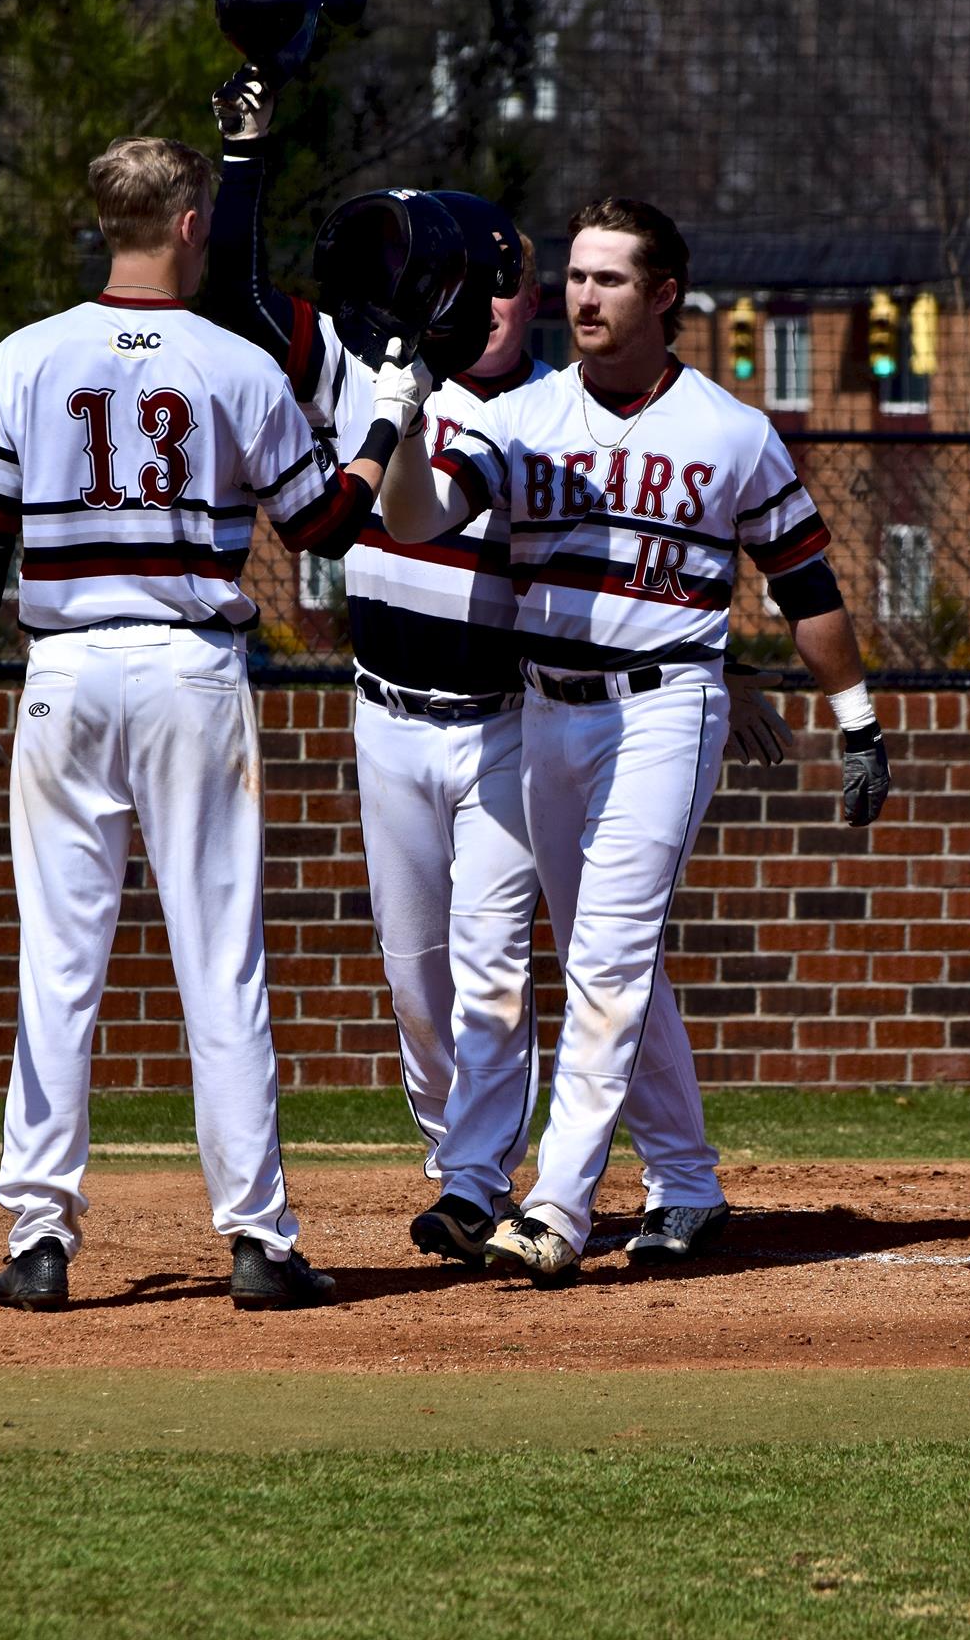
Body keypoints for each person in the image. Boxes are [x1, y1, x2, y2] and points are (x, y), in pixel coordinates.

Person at [204, 74, 782, 1269]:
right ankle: (467, 1159)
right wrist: (251, 152)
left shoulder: (544, 416)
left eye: (516, 285)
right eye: (487, 281)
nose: (506, 303)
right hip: (384, 713)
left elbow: (648, 563)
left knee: (499, 972)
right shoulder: (367, 377)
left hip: (511, 717)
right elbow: (243, 294)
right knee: (420, 983)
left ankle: (477, 1181)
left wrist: (734, 670)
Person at [379, 196, 891, 1284]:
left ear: (665, 296)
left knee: (605, 954)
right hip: (545, 707)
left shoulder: (729, 429)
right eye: (574, 276)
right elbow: (415, 519)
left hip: (666, 704)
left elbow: (805, 586)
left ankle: (556, 1205)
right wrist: (408, 420)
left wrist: (856, 721)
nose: (583, 295)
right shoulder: (519, 420)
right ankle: (689, 1185)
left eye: (610, 278)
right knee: (612, 959)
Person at [0, 135, 397, 1313]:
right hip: (189, 668)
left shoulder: (25, 355)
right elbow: (324, 528)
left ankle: (41, 1237)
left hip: (66, 670)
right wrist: (387, 420)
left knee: (58, 962)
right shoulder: (234, 359)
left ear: (107, 220)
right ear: (191, 223)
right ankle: (257, 1237)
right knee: (220, 958)